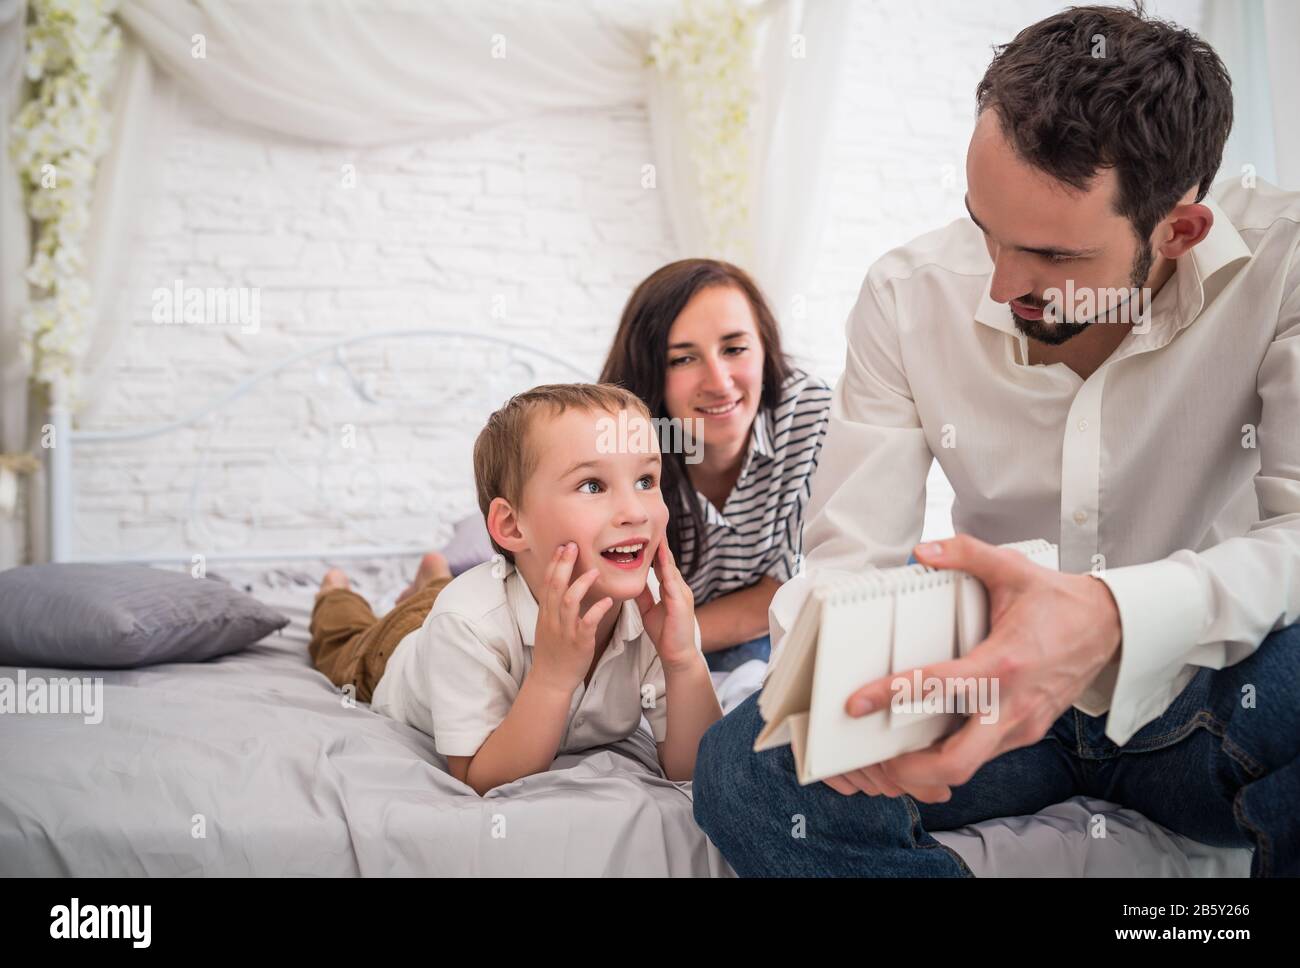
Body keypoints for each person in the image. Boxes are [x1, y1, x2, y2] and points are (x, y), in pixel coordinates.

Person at [692, 4, 1300, 876]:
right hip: (991, 691)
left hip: (1206, 687)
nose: (1003, 283)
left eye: (1054, 258)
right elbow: (849, 558)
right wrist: (836, 694)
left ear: (1179, 229)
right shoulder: (908, 296)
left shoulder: (1285, 264)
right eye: (986, 230)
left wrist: (1112, 618)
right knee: (748, 774)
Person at [309, 383, 722, 795]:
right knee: (341, 636)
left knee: (436, 597)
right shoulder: (466, 624)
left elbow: (694, 769)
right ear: (511, 525)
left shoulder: (658, 613)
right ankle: (336, 589)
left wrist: (683, 660)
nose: (635, 512)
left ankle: (433, 576)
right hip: (393, 648)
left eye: (646, 481)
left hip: (456, 602)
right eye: (593, 486)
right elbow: (480, 778)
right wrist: (553, 678)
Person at [600, 259, 832, 672]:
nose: (719, 381)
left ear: (765, 347)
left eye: (735, 349)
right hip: (646, 645)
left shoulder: (810, 416)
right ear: (649, 372)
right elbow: (612, 613)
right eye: (683, 359)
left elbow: (795, 589)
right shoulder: (621, 442)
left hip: (736, 632)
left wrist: (676, 637)